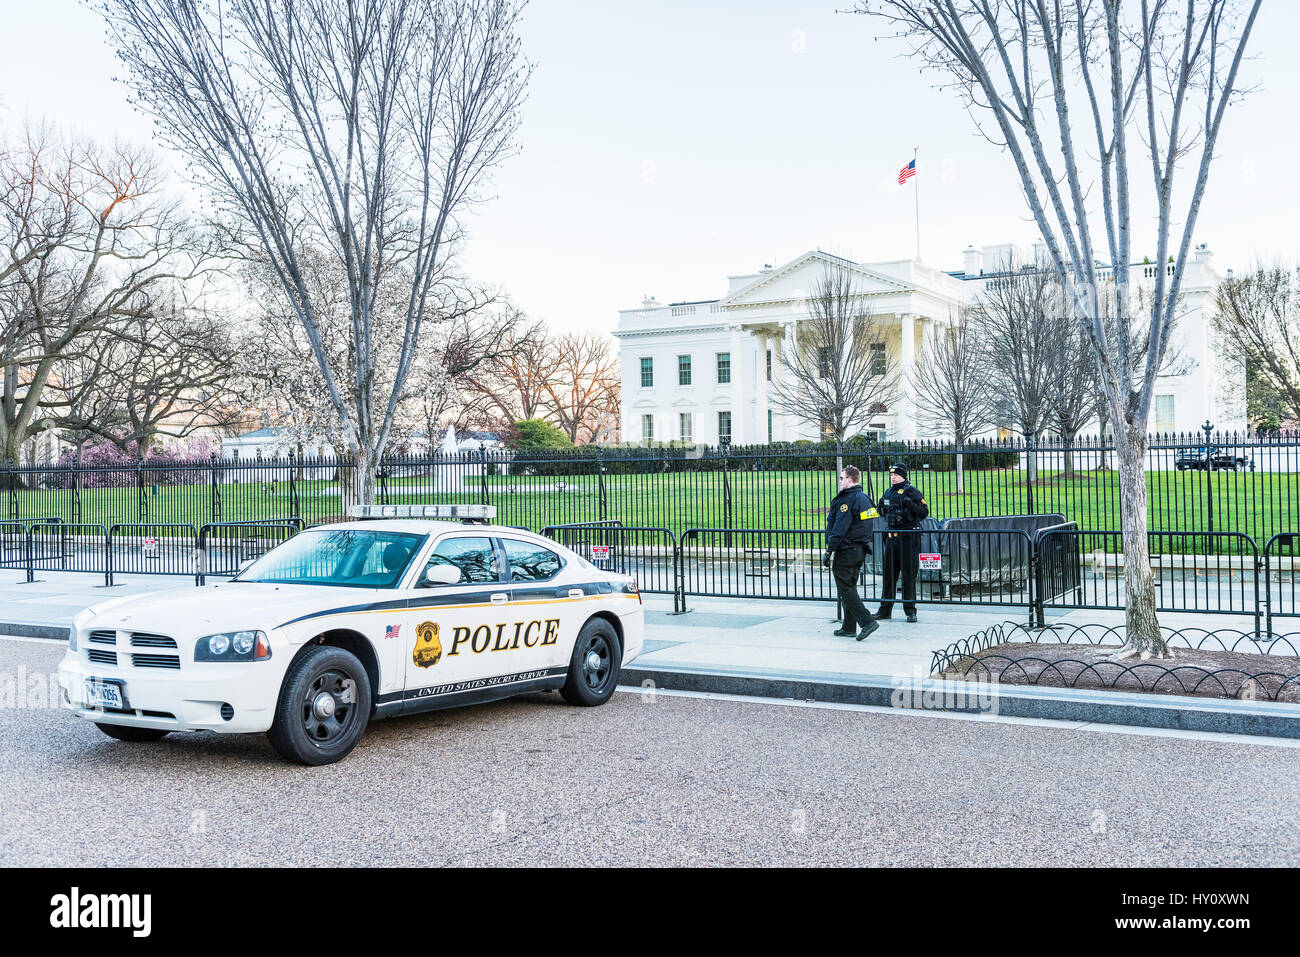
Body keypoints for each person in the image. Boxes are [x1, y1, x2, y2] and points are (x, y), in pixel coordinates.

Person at [823, 465, 879, 641]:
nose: (839, 481)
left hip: (847, 550)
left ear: (850, 479)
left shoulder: (848, 500)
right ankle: (848, 627)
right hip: (860, 549)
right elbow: (869, 523)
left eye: (841, 478)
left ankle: (867, 621)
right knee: (849, 587)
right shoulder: (865, 499)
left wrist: (829, 550)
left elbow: (840, 528)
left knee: (845, 587)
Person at [874, 463, 929, 623]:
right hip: (891, 538)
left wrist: (909, 503)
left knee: (908, 575)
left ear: (903, 476)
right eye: (891, 475)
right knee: (889, 576)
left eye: (896, 475)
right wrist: (870, 511)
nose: (893, 477)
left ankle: (910, 611)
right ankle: (885, 611)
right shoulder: (888, 492)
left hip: (908, 538)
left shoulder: (912, 492)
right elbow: (880, 510)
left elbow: (924, 512)